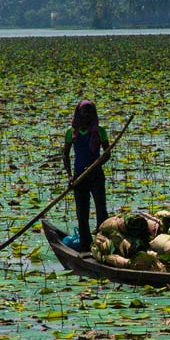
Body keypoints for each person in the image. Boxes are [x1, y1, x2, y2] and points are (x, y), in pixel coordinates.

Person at [62, 100, 110, 250]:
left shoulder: (100, 131)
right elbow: (65, 154)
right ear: (79, 113)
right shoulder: (72, 132)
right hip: (79, 176)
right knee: (82, 212)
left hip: (96, 175)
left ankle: (104, 243)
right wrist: (70, 176)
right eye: (84, 111)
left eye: (90, 111)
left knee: (101, 209)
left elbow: (107, 154)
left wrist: (96, 165)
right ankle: (85, 243)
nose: (87, 114)